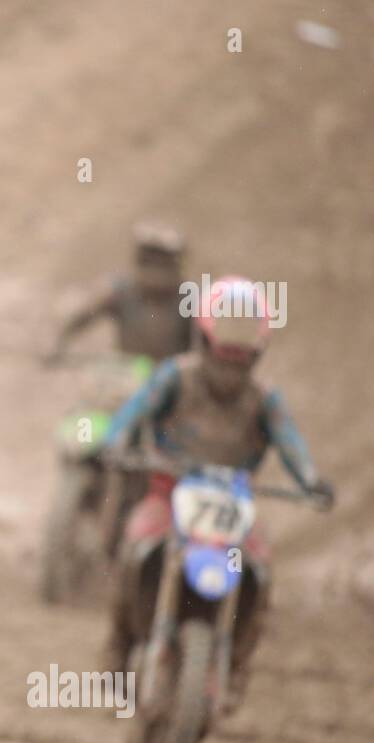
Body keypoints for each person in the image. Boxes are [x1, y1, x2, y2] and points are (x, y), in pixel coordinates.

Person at [99, 276, 334, 713]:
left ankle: (237, 664)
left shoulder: (265, 399)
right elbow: (134, 412)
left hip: (233, 505)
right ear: (203, 341)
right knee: (135, 543)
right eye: (222, 361)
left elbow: (290, 444)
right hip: (170, 493)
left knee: (260, 569)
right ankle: (118, 643)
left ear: (257, 357)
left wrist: (310, 480)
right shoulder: (174, 377)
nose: (229, 375)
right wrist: (116, 442)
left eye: (240, 365)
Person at [47, 221, 192, 364]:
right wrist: (58, 342)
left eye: (163, 262)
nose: (156, 271)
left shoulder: (188, 297)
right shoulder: (122, 291)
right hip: (129, 371)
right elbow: (81, 314)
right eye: (150, 260)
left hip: (173, 374)